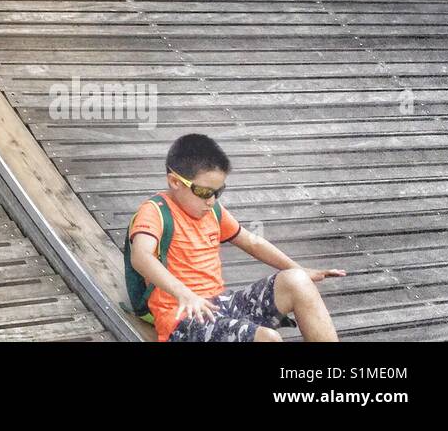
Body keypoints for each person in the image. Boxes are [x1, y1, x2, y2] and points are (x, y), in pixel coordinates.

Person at [128, 133, 343, 342]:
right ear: (175, 181)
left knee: (297, 280)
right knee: (267, 338)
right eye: (204, 192)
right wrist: (185, 293)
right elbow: (141, 256)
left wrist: (301, 269)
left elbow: (251, 241)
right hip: (184, 319)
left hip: (221, 306)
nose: (211, 200)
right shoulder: (155, 211)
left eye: (217, 192)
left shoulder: (212, 211)